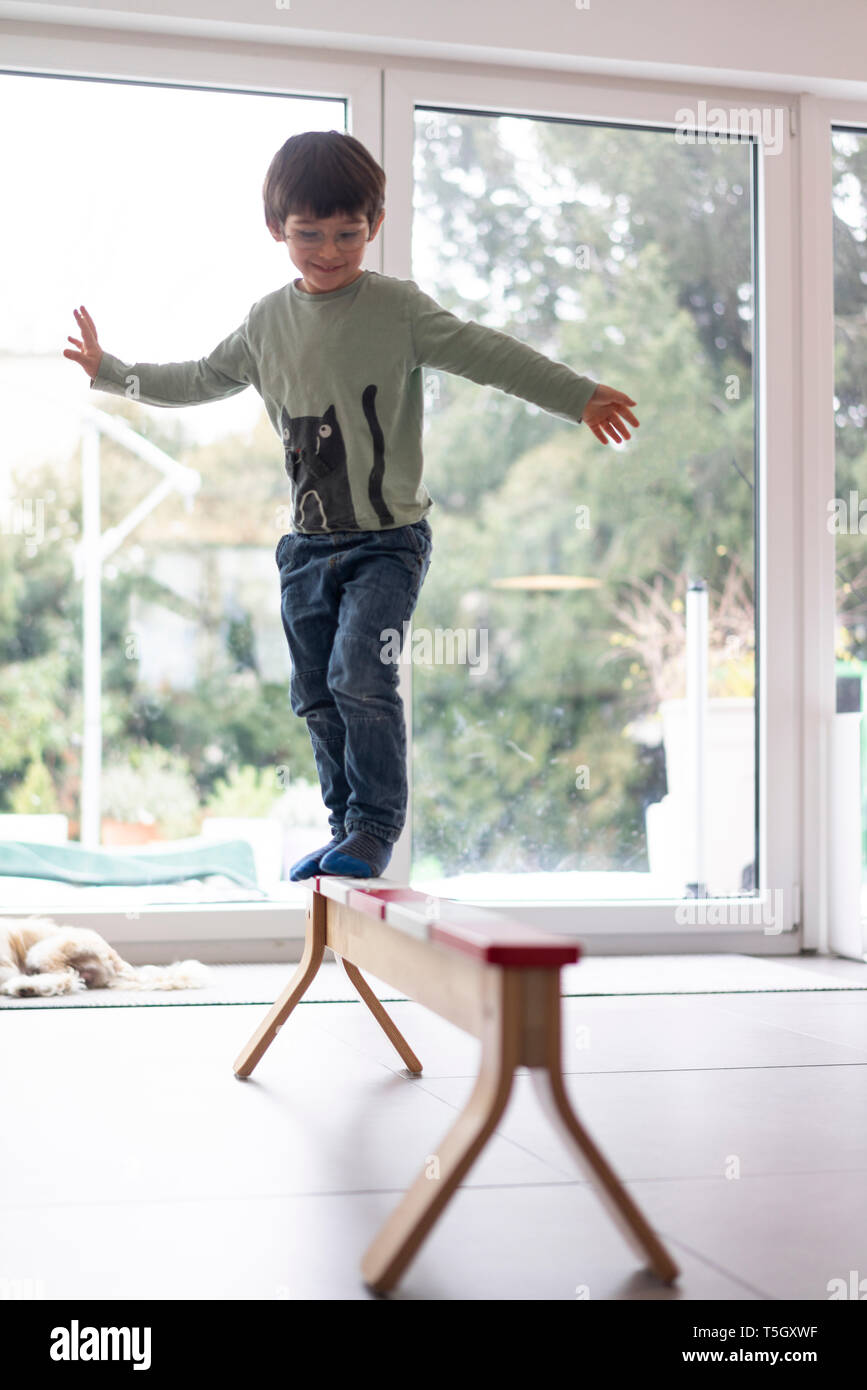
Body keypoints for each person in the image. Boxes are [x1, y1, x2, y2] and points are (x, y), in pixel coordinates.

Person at [65, 129, 639, 881]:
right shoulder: (267, 322)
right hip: (305, 547)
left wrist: (577, 394)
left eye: (348, 233)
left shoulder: (396, 310)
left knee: (358, 676)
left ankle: (374, 825)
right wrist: (114, 371)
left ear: (375, 224)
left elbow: (487, 353)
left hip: (386, 543)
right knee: (314, 694)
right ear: (277, 228)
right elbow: (199, 378)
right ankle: (344, 826)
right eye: (309, 234)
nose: (329, 250)